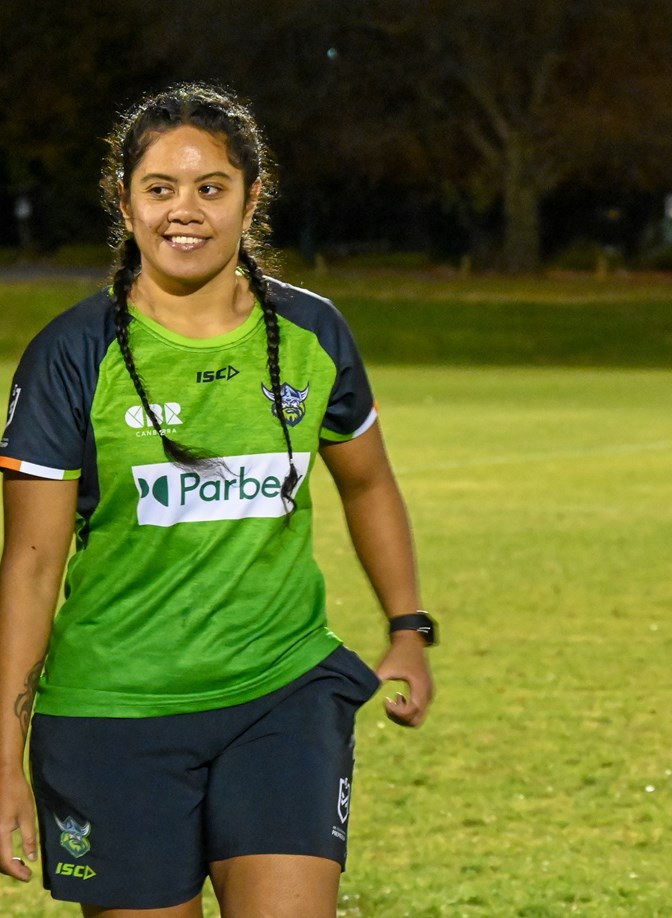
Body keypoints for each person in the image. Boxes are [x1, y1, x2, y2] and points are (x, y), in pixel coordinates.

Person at [0, 83, 437, 916]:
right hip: (115, 713)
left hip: (281, 694)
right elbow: (29, 566)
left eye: (211, 187)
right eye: (160, 188)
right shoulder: (70, 355)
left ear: (251, 197)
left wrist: (408, 627)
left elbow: (369, 480)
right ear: (125, 203)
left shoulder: (313, 334)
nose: (184, 211)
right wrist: (2, 761)